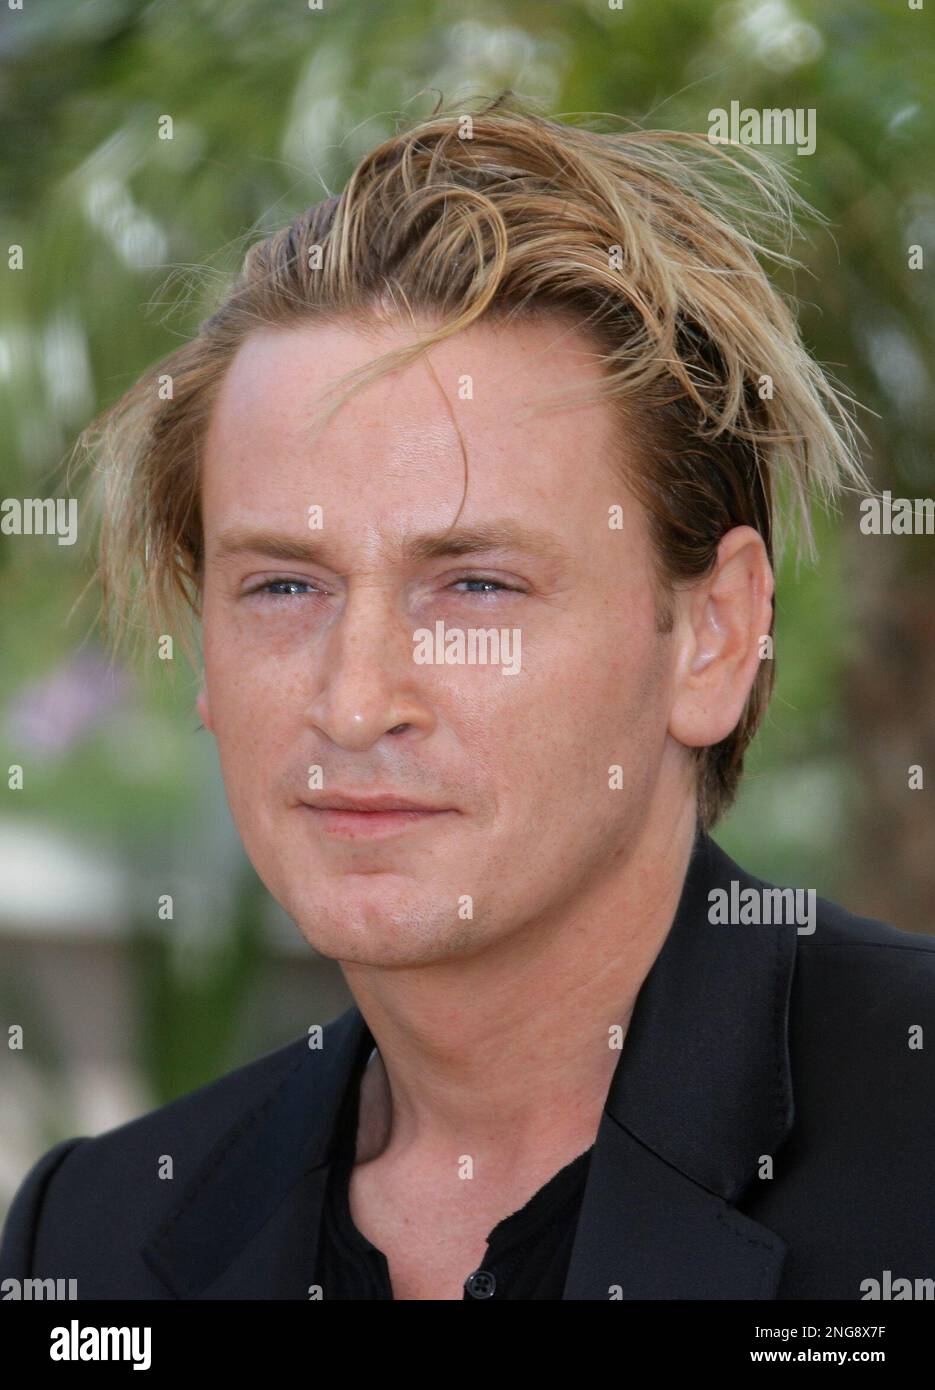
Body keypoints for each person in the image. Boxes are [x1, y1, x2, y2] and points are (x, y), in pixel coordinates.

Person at [2, 94, 933, 1302]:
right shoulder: (95, 1241)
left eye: (476, 585)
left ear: (714, 635)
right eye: (283, 584)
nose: (352, 699)